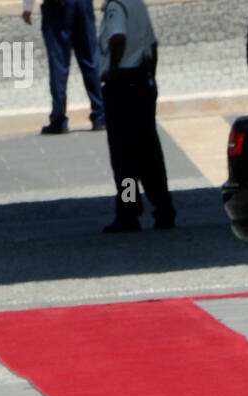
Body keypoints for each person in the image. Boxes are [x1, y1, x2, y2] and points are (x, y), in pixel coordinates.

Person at [98, 0, 175, 233]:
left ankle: (129, 212)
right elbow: (152, 45)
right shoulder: (138, 4)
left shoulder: (116, 6)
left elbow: (118, 37)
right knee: (149, 153)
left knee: (125, 159)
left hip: (123, 85)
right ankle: (164, 209)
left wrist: (112, 71)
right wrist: (151, 77)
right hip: (142, 81)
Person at [24, 0, 106, 135]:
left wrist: (27, 7)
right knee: (90, 60)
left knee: (58, 63)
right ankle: (100, 114)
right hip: (82, 5)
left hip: (58, 6)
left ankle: (59, 118)